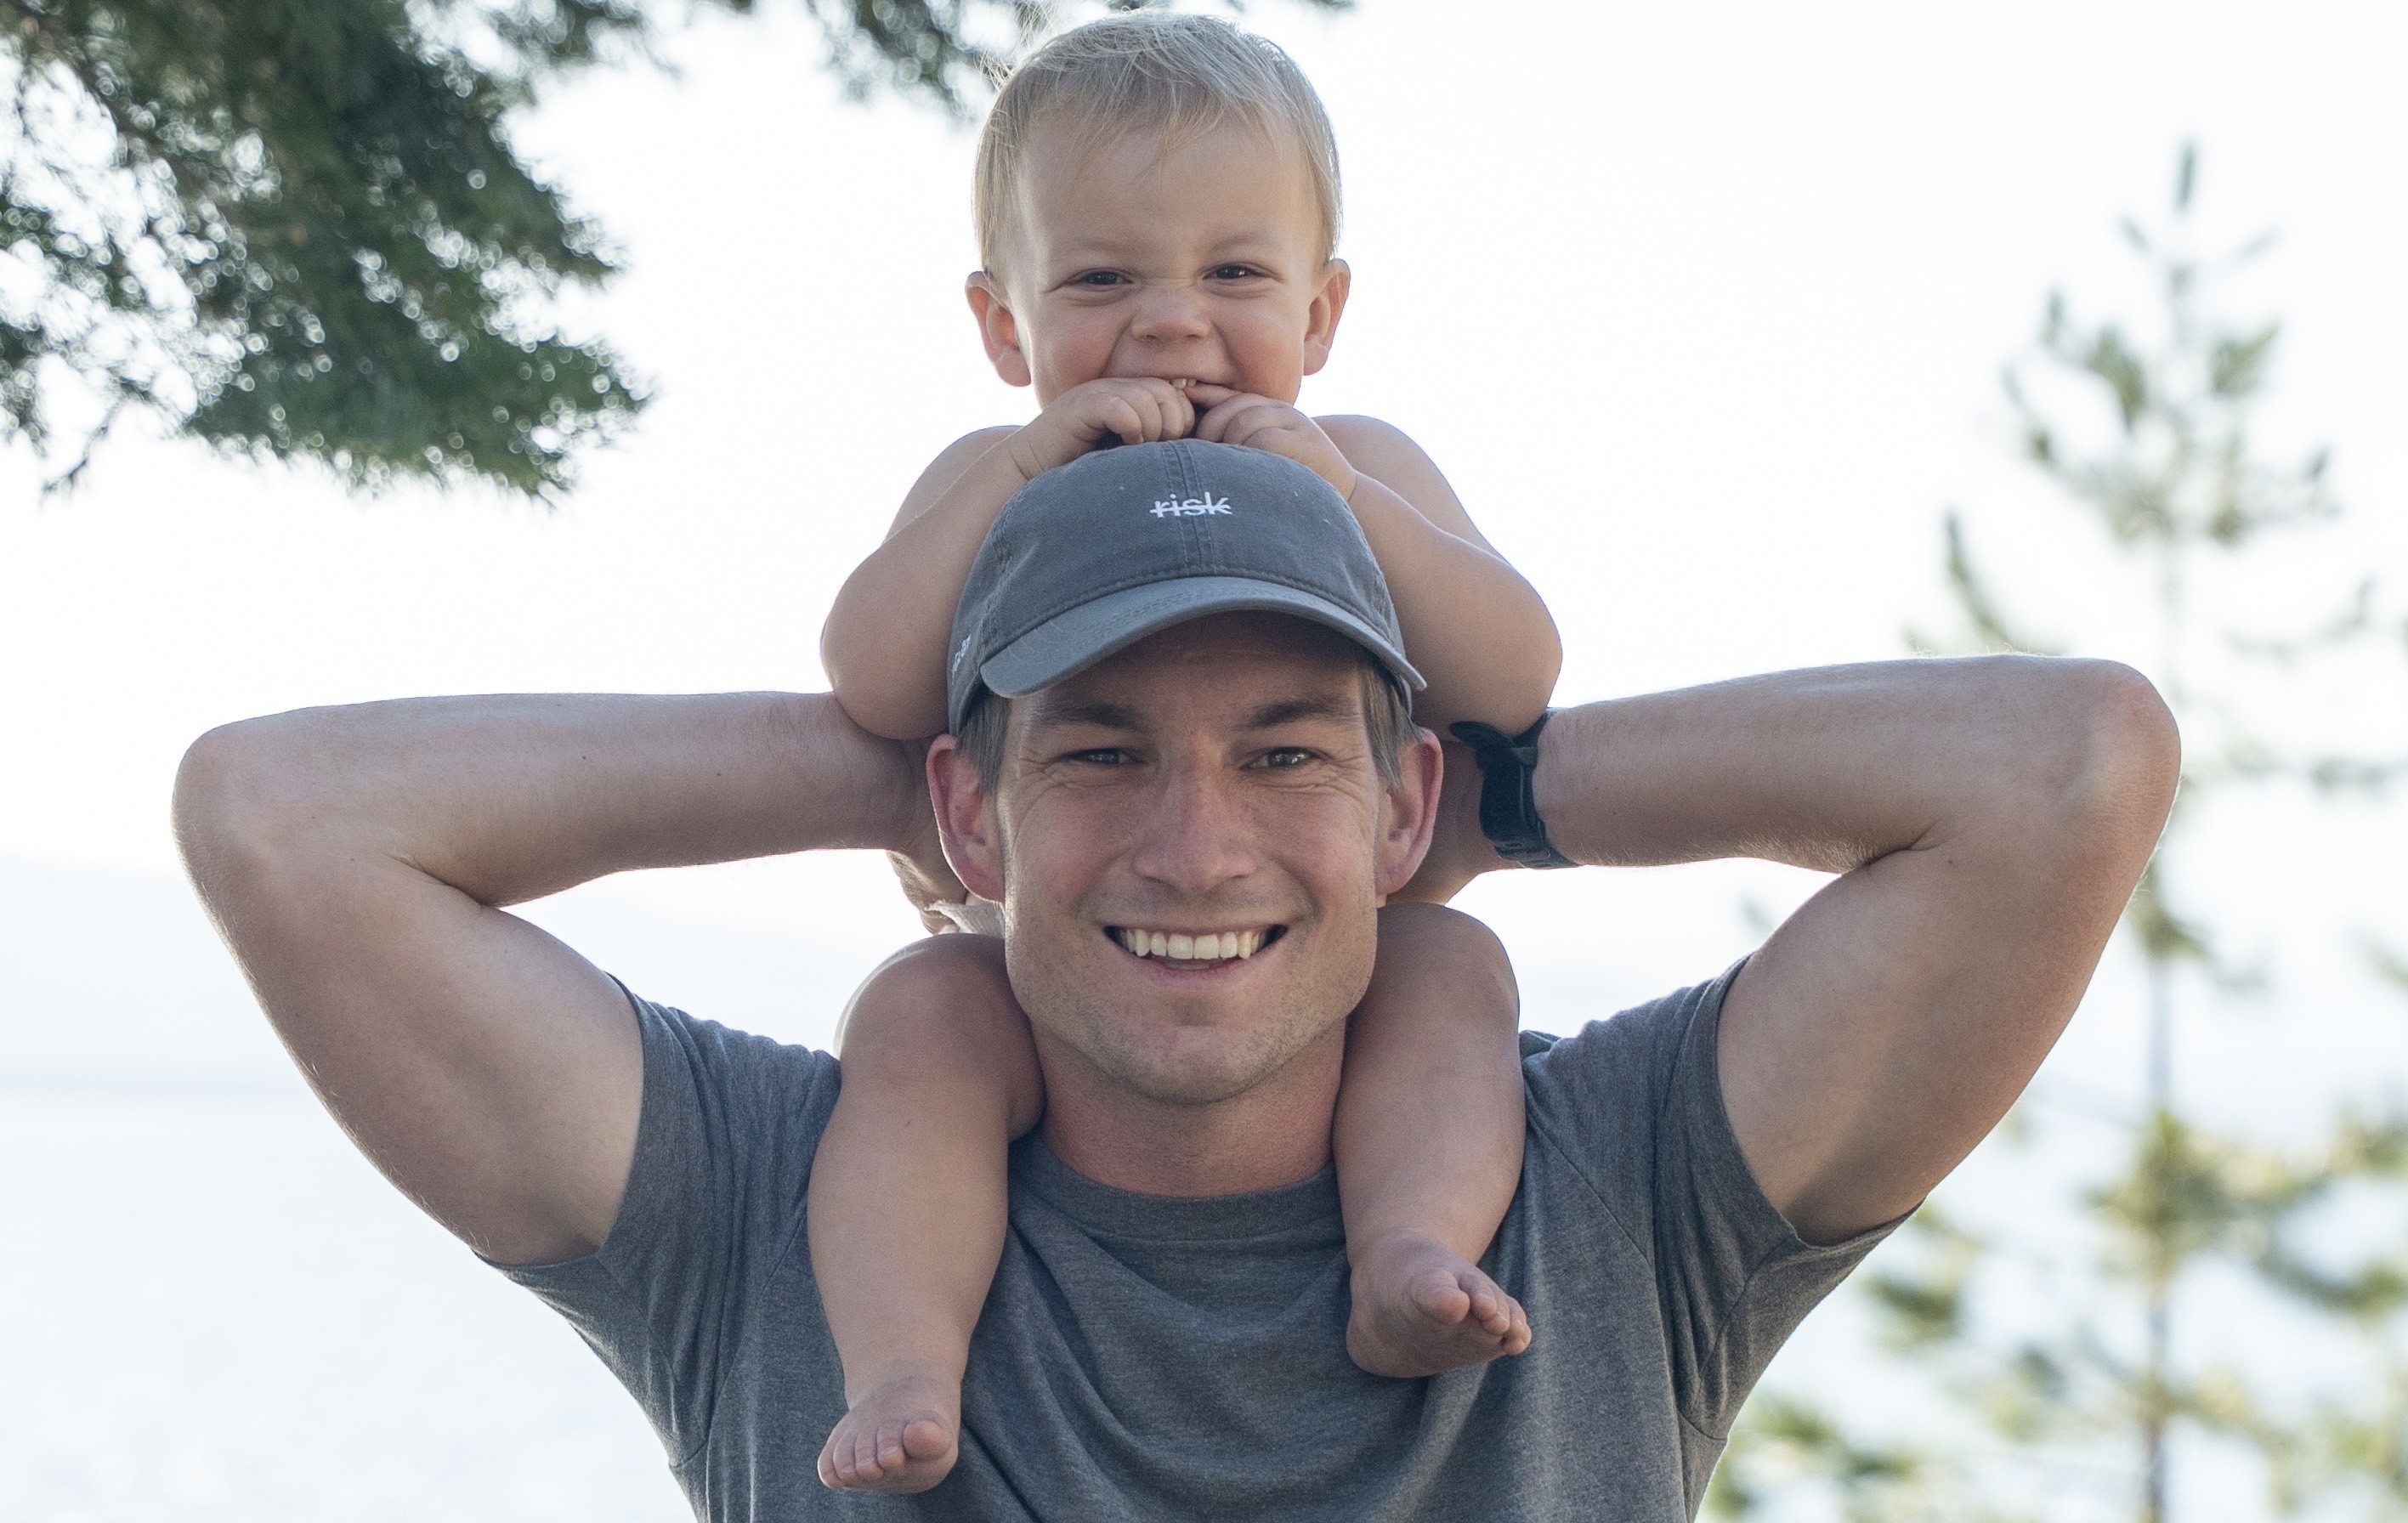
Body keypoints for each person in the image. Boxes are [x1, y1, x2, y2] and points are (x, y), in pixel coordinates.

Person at [174, 436, 2179, 1520]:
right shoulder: (783, 1202)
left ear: (1402, 802)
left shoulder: (1610, 1188)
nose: (1196, 845)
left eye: (1285, 754)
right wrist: (903, 768)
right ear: (971, 813)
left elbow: (2065, 764)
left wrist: (1506, 795)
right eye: (1102, 753)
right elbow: (280, 817)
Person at [812, 14, 1561, 1489]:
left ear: (1321, 310)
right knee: (914, 1011)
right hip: (1029, 959)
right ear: (1004, 326)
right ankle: (901, 1360)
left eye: (1234, 275)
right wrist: (1025, 468)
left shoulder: (1362, 460)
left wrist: (1344, 495)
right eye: (1101, 280)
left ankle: (1407, 1246)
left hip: (1332, 956)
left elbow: (1517, 676)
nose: (1169, 324)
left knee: (1454, 969)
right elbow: (867, 677)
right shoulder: (993, 478)